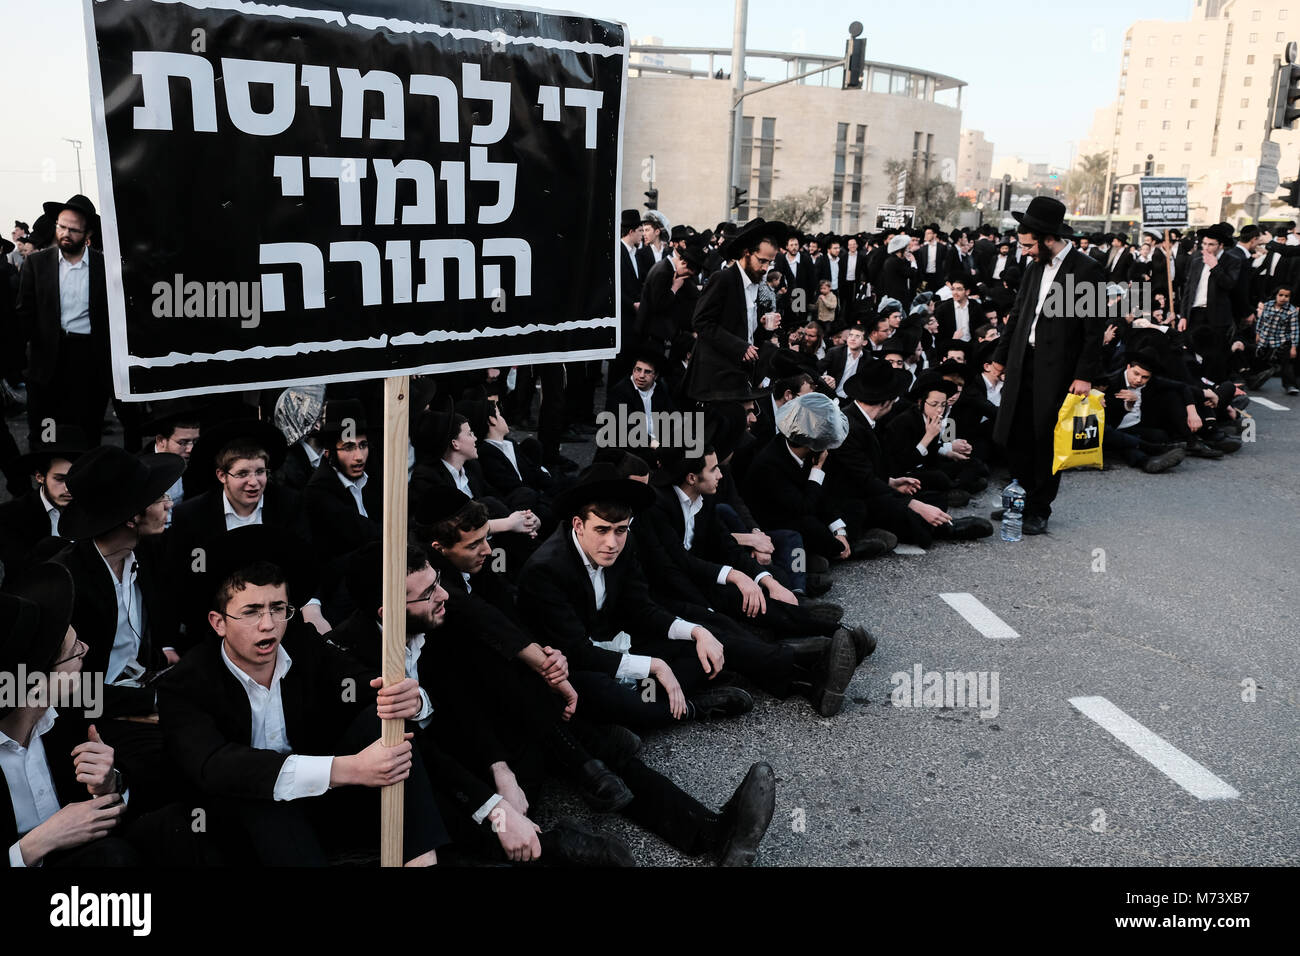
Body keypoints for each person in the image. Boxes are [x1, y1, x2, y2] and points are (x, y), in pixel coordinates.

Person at [157, 526, 446, 866]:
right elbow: (216, 767)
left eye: (278, 608)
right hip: (232, 822)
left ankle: (421, 861)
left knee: (382, 718)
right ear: (218, 622)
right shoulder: (185, 684)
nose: (268, 624)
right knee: (259, 791)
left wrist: (412, 700)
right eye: (251, 612)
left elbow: (363, 685)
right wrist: (347, 769)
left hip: (317, 806)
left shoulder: (303, 644)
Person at [515, 464, 753, 729]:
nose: (612, 542)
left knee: (700, 649)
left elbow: (642, 609)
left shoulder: (623, 546)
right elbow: (579, 652)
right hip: (574, 664)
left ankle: (654, 700)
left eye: (621, 530)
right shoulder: (545, 569)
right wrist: (656, 666)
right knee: (606, 694)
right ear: (578, 525)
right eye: (602, 530)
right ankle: (692, 708)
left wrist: (697, 632)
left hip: (614, 644)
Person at [2, 564, 137, 867]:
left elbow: (111, 812)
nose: (85, 649)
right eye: (74, 650)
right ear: (37, 680)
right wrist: (33, 846)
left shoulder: (69, 715)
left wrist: (107, 784)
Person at [989, 197, 1106, 535]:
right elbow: (1017, 317)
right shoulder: (1033, 268)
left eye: (1028, 245)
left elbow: (1093, 330)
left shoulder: (1085, 270)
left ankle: (1039, 509)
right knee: (1016, 434)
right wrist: (999, 357)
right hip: (1022, 361)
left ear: (1046, 237)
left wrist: (1084, 375)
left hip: (1058, 370)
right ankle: (1019, 498)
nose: (1024, 251)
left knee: (1046, 439)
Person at [15, 196, 111, 448]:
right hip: (47, 360)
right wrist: (15, 360)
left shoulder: (104, 267)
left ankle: (83, 482)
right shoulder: (37, 263)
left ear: (88, 233)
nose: (65, 234)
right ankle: (48, 479)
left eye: (73, 229)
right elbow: (24, 315)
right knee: (47, 431)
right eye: (61, 226)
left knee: (86, 431)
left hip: (89, 359)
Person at [682, 218, 787, 400]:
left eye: (769, 263)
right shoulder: (723, 279)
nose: (765, 268)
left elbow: (745, 333)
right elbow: (701, 322)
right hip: (714, 381)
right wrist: (739, 347)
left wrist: (762, 328)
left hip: (737, 378)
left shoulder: (755, 283)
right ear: (746, 253)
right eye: (761, 261)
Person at [0, 426, 88, 572]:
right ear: (40, 477)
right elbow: (19, 570)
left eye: (75, 479)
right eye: (60, 479)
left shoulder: (93, 506)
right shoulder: (10, 516)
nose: (68, 488)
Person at [1253, 284, 1300, 395]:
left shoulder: (1291, 311)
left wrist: (1293, 347)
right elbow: (1261, 321)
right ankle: (1252, 379)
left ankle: (1290, 385)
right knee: (1258, 359)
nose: (1283, 298)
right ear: (1275, 295)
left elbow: (1295, 330)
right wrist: (1257, 334)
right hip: (1266, 339)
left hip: (1282, 340)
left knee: (1286, 362)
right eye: (1281, 295)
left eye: (1287, 296)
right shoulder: (1268, 306)